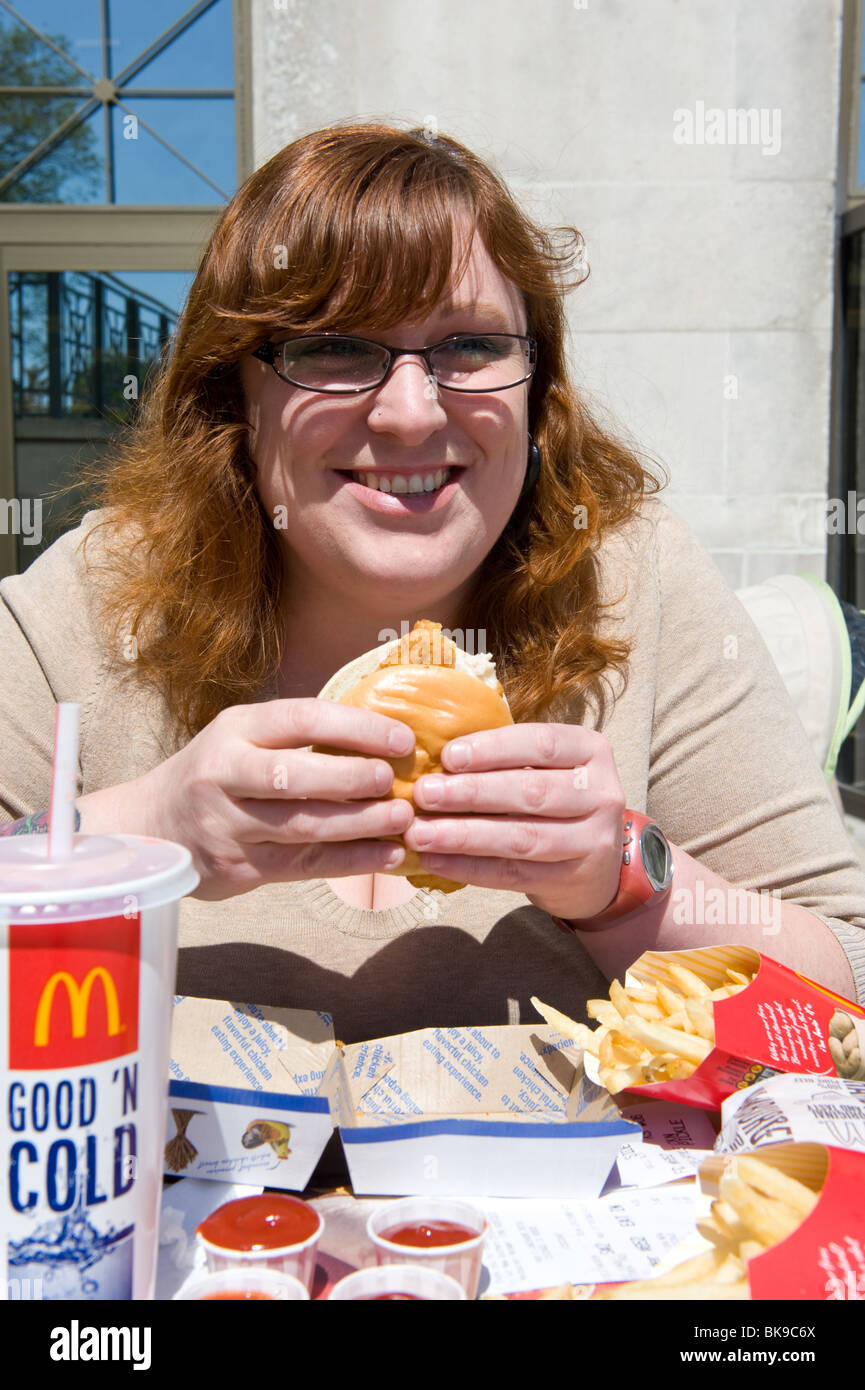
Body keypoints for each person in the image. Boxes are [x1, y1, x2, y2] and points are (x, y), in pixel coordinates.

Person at [1, 122, 863, 1043]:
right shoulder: (95, 601)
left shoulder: (630, 581)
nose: (411, 414)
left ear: (538, 389)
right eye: (332, 349)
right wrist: (143, 835)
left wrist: (620, 882)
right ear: (234, 395)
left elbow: (839, 1004)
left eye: (467, 347)